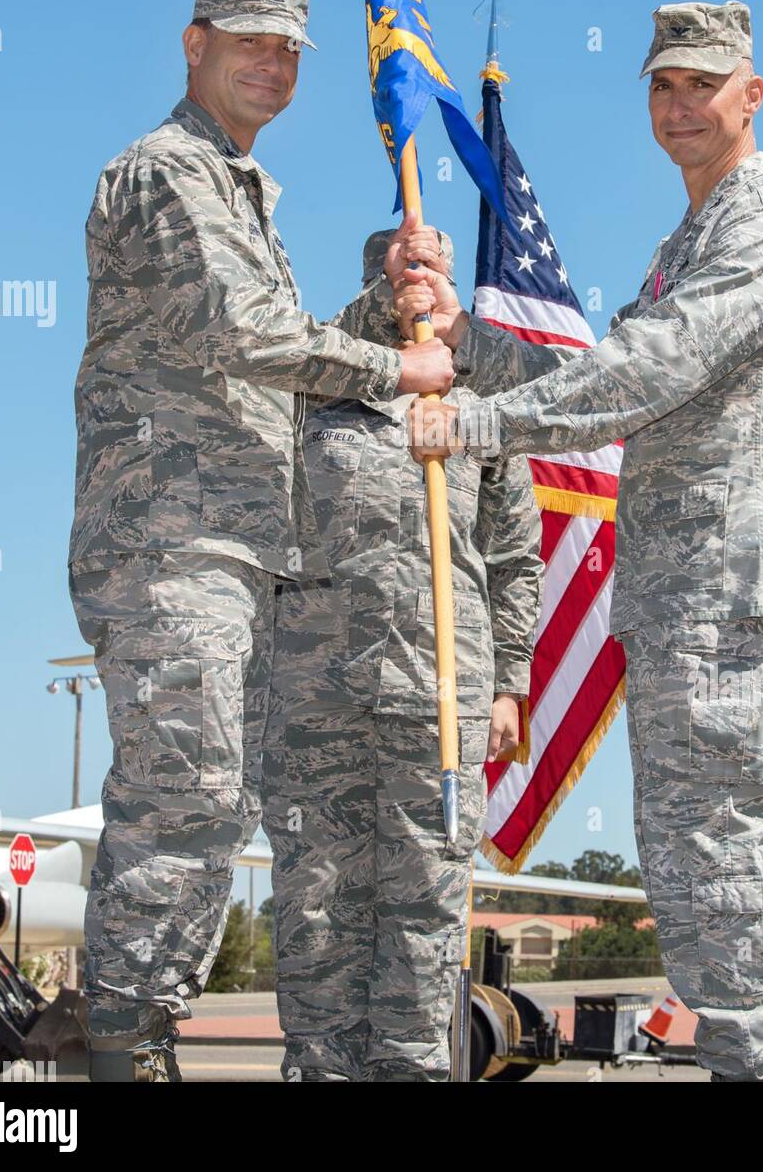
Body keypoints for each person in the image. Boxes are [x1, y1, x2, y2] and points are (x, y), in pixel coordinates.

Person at [399, 1, 763, 1082]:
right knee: (685, 860)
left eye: (701, 83)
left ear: (751, 94)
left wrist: (470, 420)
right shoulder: (687, 240)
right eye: (661, 85)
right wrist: (466, 339)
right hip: (676, 594)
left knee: (714, 852)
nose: (678, 104)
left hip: (725, 584)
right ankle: (751, 1067)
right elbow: (597, 376)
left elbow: (648, 372)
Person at [68, 0, 453, 1081]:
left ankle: (128, 1029)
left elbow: (276, 347)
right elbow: (248, 331)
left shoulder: (238, 187)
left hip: (238, 545)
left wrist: (386, 302)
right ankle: (116, 1045)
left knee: (214, 793)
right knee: (184, 791)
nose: (271, 62)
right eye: (249, 41)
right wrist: (401, 359)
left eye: (288, 48)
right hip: (169, 534)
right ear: (193, 44)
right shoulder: (166, 174)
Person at [263, 228, 544, 1081]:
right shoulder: (312, 382)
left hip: (440, 692)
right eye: (401, 267)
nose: (417, 280)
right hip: (318, 693)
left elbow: (515, 555)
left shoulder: (475, 404)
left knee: (425, 909)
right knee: (316, 908)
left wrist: (511, 683)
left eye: (432, 269)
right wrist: (382, 300)